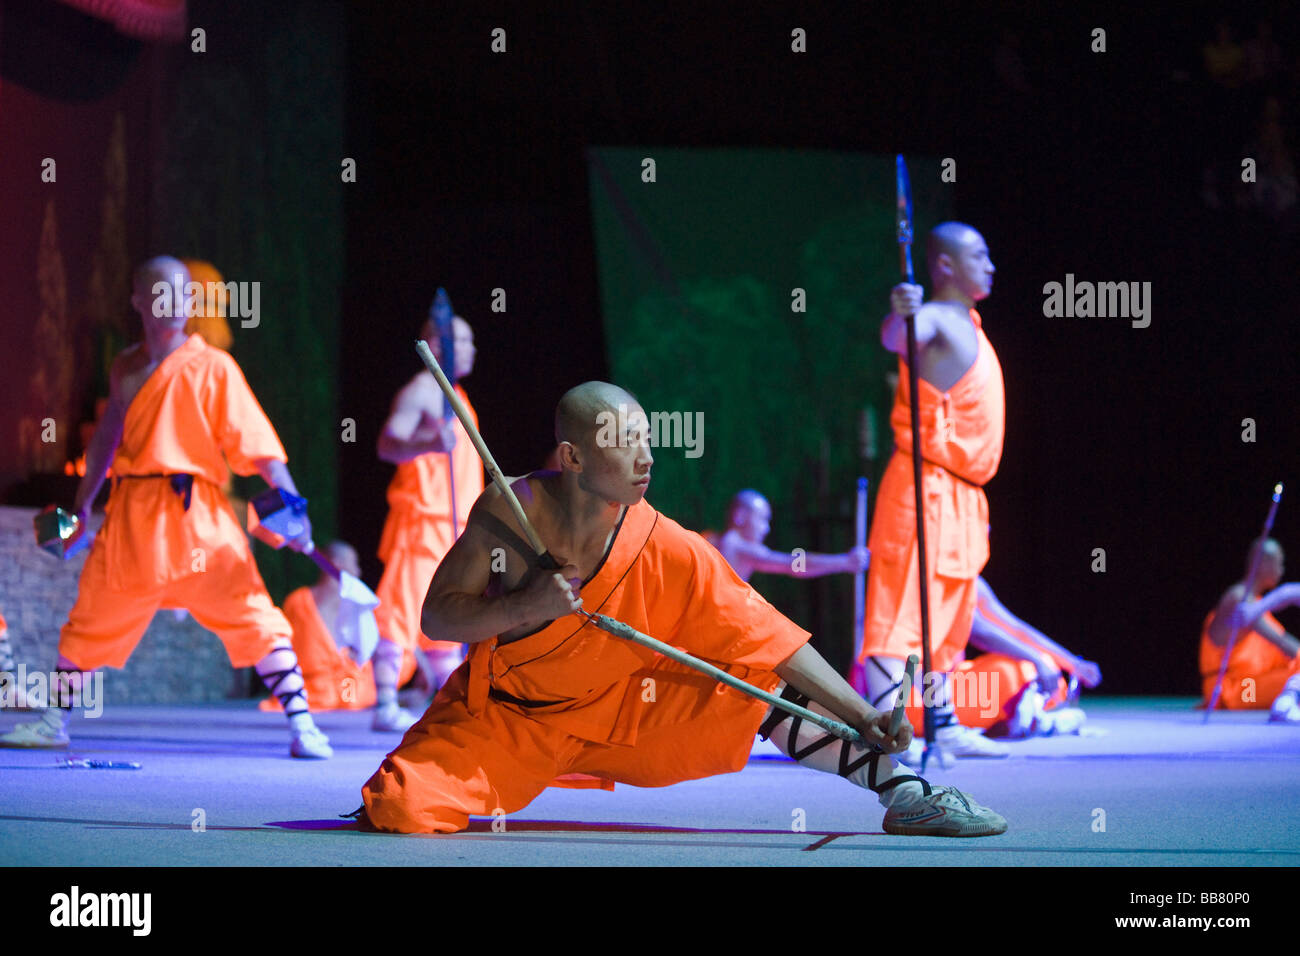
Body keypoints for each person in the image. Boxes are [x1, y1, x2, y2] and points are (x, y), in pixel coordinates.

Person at [358, 382, 1007, 837]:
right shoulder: (510, 510)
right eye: (625, 443)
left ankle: (904, 794)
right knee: (399, 806)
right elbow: (437, 618)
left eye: (647, 439)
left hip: (621, 710)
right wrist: (524, 605)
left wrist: (864, 713)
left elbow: (769, 639)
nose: (646, 457)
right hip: (512, 722)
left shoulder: (665, 542)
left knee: (750, 681)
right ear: (573, 457)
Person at [0, 257, 332, 758]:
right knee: (91, 616)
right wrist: (81, 508)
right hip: (132, 518)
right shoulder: (127, 368)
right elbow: (107, 442)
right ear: (138, 301)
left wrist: (294, 509)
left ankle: (304, 724)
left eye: (182, 294)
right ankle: (53, 722)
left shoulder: (215, 366)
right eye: (161, 293)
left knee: (252, 614)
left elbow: (261, 449)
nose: (176, 303)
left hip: (198, 516)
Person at [859, 222, 1009, 758]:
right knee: (900, 613)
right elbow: (899, 339)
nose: (990, 264)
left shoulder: (971, 322)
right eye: (979, 254)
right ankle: (881, 734)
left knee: (948, 618)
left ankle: (943, 725)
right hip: (925, 486)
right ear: (945, 264)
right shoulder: (938, 318)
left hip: (964, 494)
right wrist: (904, 312)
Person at [372, 312, 482, 728]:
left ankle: (449, 702)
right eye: (463, 341)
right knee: (401, 607)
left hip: (453, 526)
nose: (471, 349)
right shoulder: (422, 390)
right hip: (423, 522)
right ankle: (384, 702)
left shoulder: (456, 395)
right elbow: (388, 444)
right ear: (437, 346)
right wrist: (428, 441)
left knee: (446, 610)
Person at [257, 540, 383, 715]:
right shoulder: (300, 602)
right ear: (338, 564)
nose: (358, 571)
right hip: (313, 690)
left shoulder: (358, 604)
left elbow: (369, 647)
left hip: (352, 694)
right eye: (354, 563)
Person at [1200, 538, 1300, 721]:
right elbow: (1283, 643)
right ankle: (1285, 705)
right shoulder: (1239, 599)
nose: (1282, 570)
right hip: (1241, 690)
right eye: (1279, 563)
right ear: (1262, 563)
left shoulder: (1258, 602)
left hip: (1252, 683)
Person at [707, 490, 868, 583]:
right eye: (762, 519)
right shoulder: (737, 546)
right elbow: (792, 564)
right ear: (740, 516)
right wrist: (845, 561)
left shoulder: (712, 540)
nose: (766, 529)